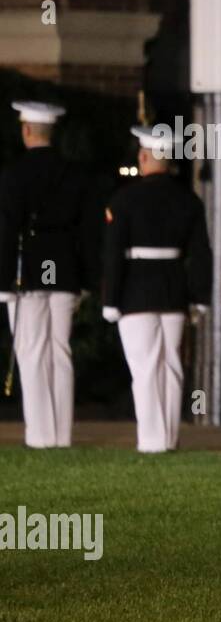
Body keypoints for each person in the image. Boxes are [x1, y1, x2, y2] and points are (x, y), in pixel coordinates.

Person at [101, 125, 211, 453]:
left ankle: (151, 440)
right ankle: (169, 436)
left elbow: (113, 254)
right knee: (171, 367)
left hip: (136, 291)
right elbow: (201, 254)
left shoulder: (124, 199)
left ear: (144, 156)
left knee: (146, 368)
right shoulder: (187, 199)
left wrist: (110, 299)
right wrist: (200, 296)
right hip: (174, 289)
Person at [0, 101, 97, 448]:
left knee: (31, 351)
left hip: (29, 269)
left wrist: (4, 280)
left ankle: (40, 435)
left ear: (26, 130)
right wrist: (86, 279)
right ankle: (61, 434)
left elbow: (7, 229)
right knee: (59, 350)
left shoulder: (13, 174)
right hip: (63, 266)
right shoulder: (74, 174)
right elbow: (88, 231)